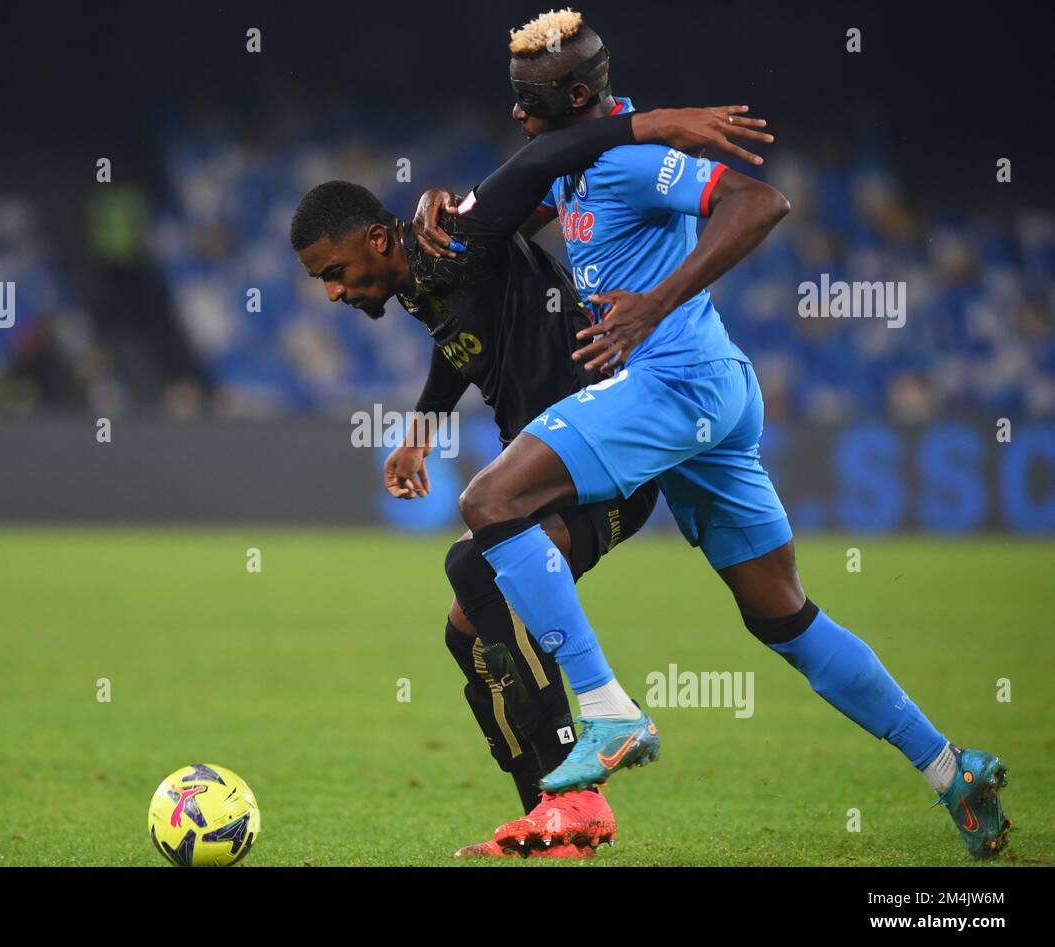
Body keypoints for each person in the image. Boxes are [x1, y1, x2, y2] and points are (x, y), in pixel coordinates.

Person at [417, 7, 1010, 860]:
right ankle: (954, 770)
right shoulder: (582, 159)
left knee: (491, 499)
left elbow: (760, 200)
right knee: (785, 619)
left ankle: (609, 711)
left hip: (673, 382)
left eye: (529, 99)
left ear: (578, 95)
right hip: (720, 392)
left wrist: (650, 308)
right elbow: (513, 203)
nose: (517, 112)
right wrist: (453, 205)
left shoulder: (624, 160)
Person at [290, 102, 773, 857]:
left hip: (603, 458)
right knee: (469, 634)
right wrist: (421, 432)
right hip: (551, 469)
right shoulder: (420, 280)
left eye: (336, 272)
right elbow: (462, 345)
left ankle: (574, 812)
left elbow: (542, 161)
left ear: (379, 239)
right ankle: (545, 818)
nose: (333, 292)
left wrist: (654, 125)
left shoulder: (460, 231)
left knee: (476, 574)